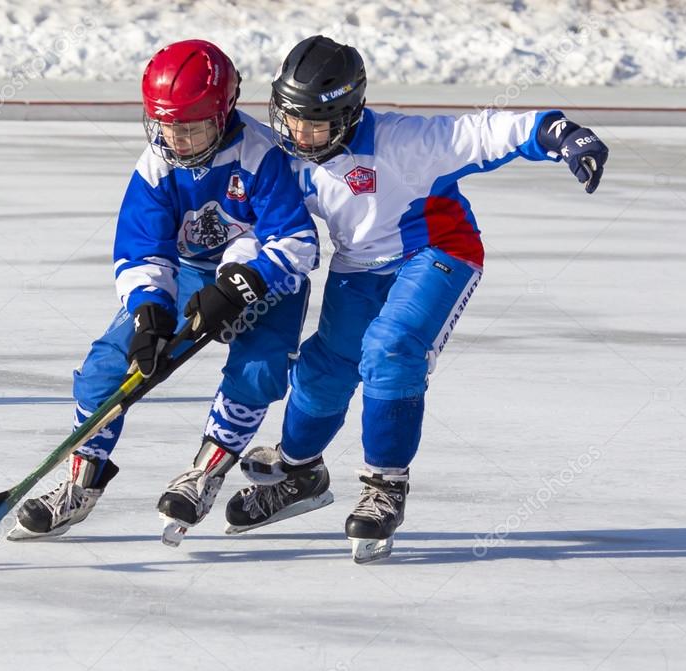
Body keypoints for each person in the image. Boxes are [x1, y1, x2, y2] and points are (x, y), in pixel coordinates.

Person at [224, 35, 610, 563]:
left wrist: (558, 132)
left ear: (350, 114)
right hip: (358, 265)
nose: (299, 135)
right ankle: (299, 472)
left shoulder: (404, 141)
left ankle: (385, 485)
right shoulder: (285, 157)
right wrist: (235, 274)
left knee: (390, 350)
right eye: (289, 119)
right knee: (323, 368)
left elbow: (481, 132)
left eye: (315, 123)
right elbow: (266, 225)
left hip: (436, 251)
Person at [8, 39, 319, 546]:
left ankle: (206, 471)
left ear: (223, 114)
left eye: (192, 127)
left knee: (258, 371)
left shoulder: (262, 155)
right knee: (107, 369)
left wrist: (240, 285)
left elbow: (297, 241)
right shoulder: (156, 163)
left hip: (265, 277)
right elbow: (142, 246)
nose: (178, 139)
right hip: (191, 273)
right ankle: (81, 482)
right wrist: (149, 309)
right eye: (167, 125)